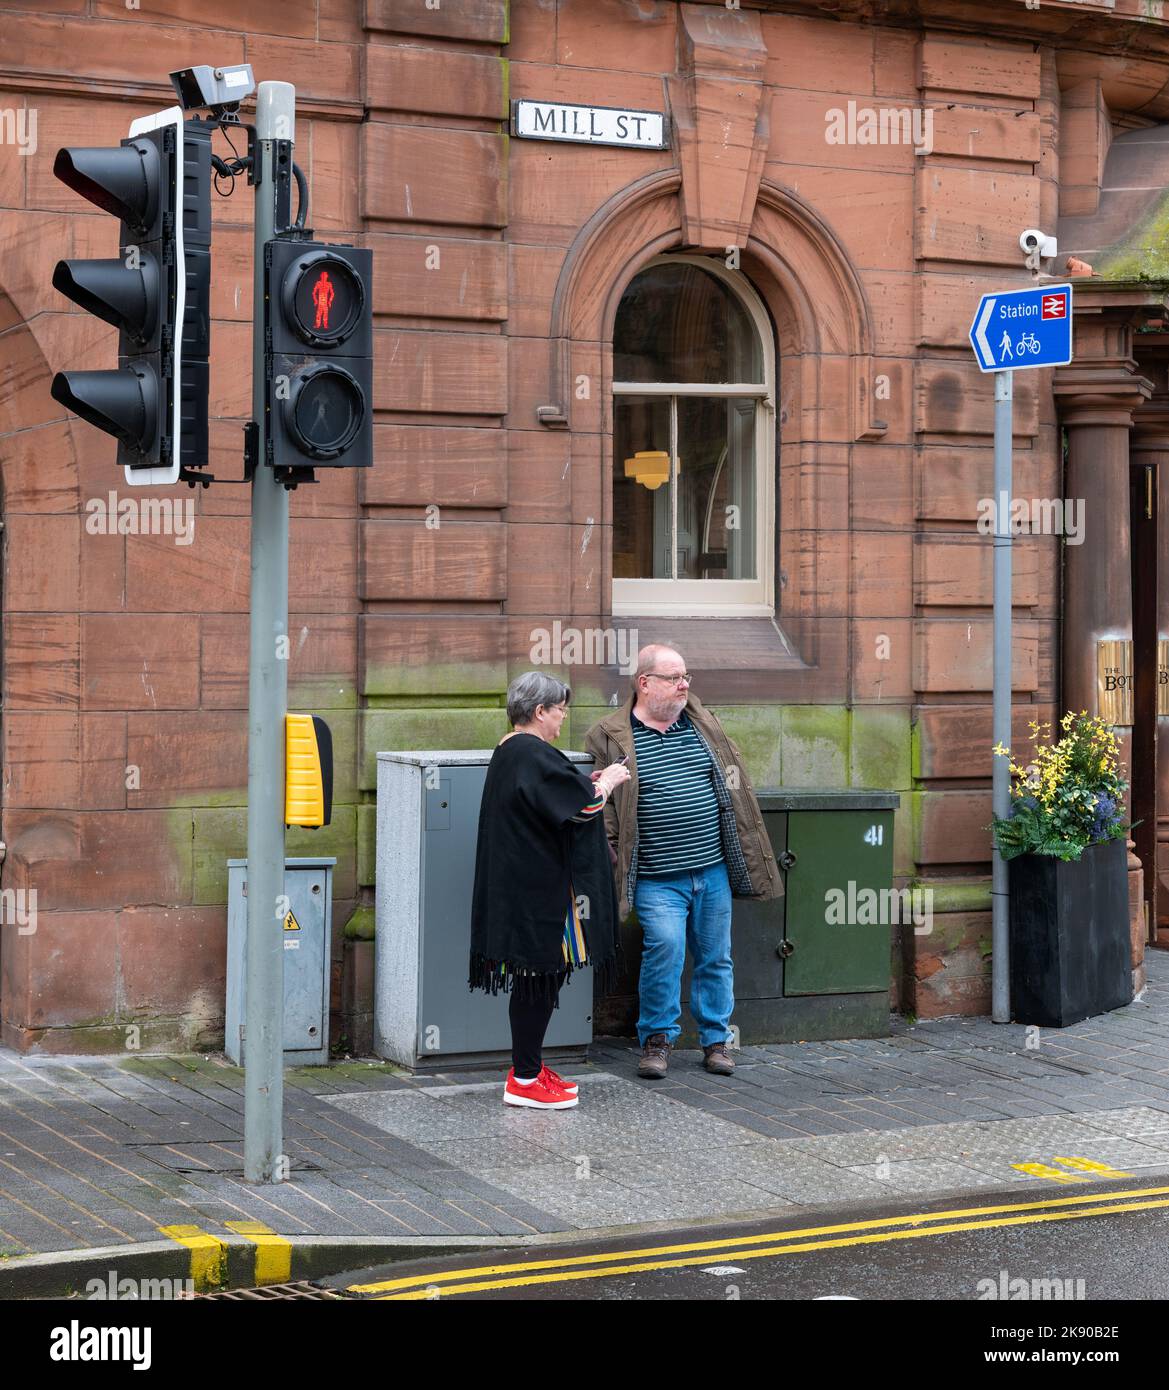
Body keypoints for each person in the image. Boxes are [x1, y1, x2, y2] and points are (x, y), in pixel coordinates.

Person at [584, 644, 781, 1079]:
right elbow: (606, 810)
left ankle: (716, 1041)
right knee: (666, 950)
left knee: (716, 956)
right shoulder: (609, 735)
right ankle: (657, 1040)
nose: (684, 684)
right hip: (656, 877)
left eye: (686, 676)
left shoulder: (702, 722)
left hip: (710, 870)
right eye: (674, 678)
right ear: (644, 683)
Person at [470, 671, 631, 1109]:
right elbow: (584, 808)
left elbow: (553, 800)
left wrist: (587, 782)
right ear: (539, 711)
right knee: (538, 976)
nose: (563, 718)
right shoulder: (530, 752)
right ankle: (523, 1078)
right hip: (541, 889)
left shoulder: (513, 749)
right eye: (559, 710)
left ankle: (530, 1066)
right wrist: (609, 783)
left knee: (540, 976)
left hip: (528, 885)